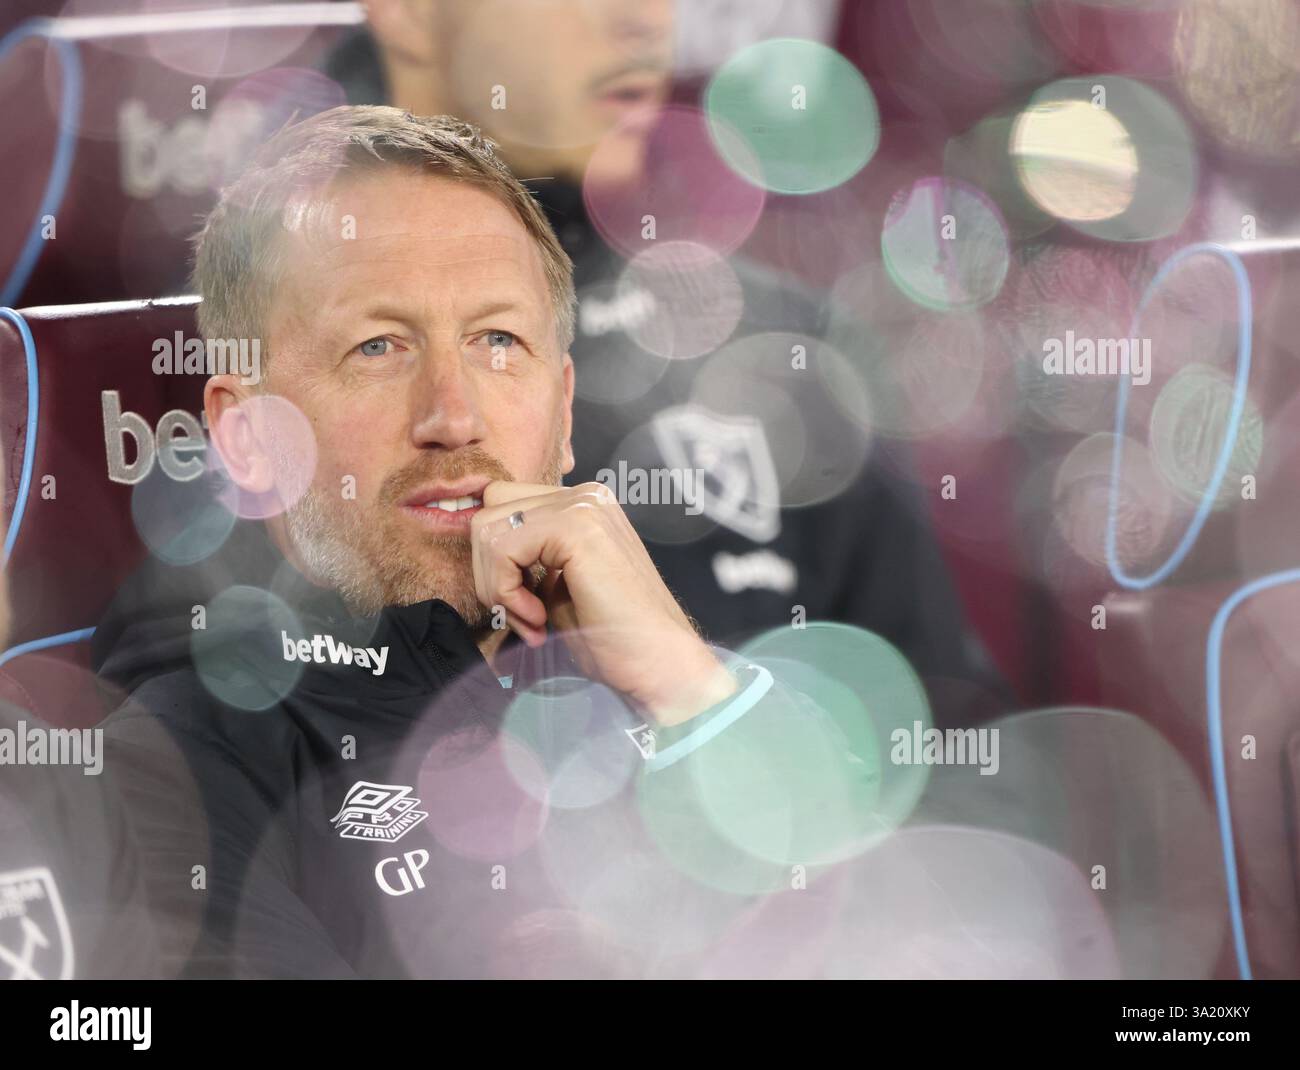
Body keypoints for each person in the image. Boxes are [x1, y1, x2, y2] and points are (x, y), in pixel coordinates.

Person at [94, 106, 882, 978]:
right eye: (378, 346)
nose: (453, 416)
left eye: (498, 342)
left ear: (565, 408)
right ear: (246, 441)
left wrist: (689, 683)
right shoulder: (169, 769)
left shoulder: (662, 680)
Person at [323, 0, 1006, 711]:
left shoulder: (787, 352)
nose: (645, 22)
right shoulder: (243, 331)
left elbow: (947, 752)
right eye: (379, 348)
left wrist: (704, 705)